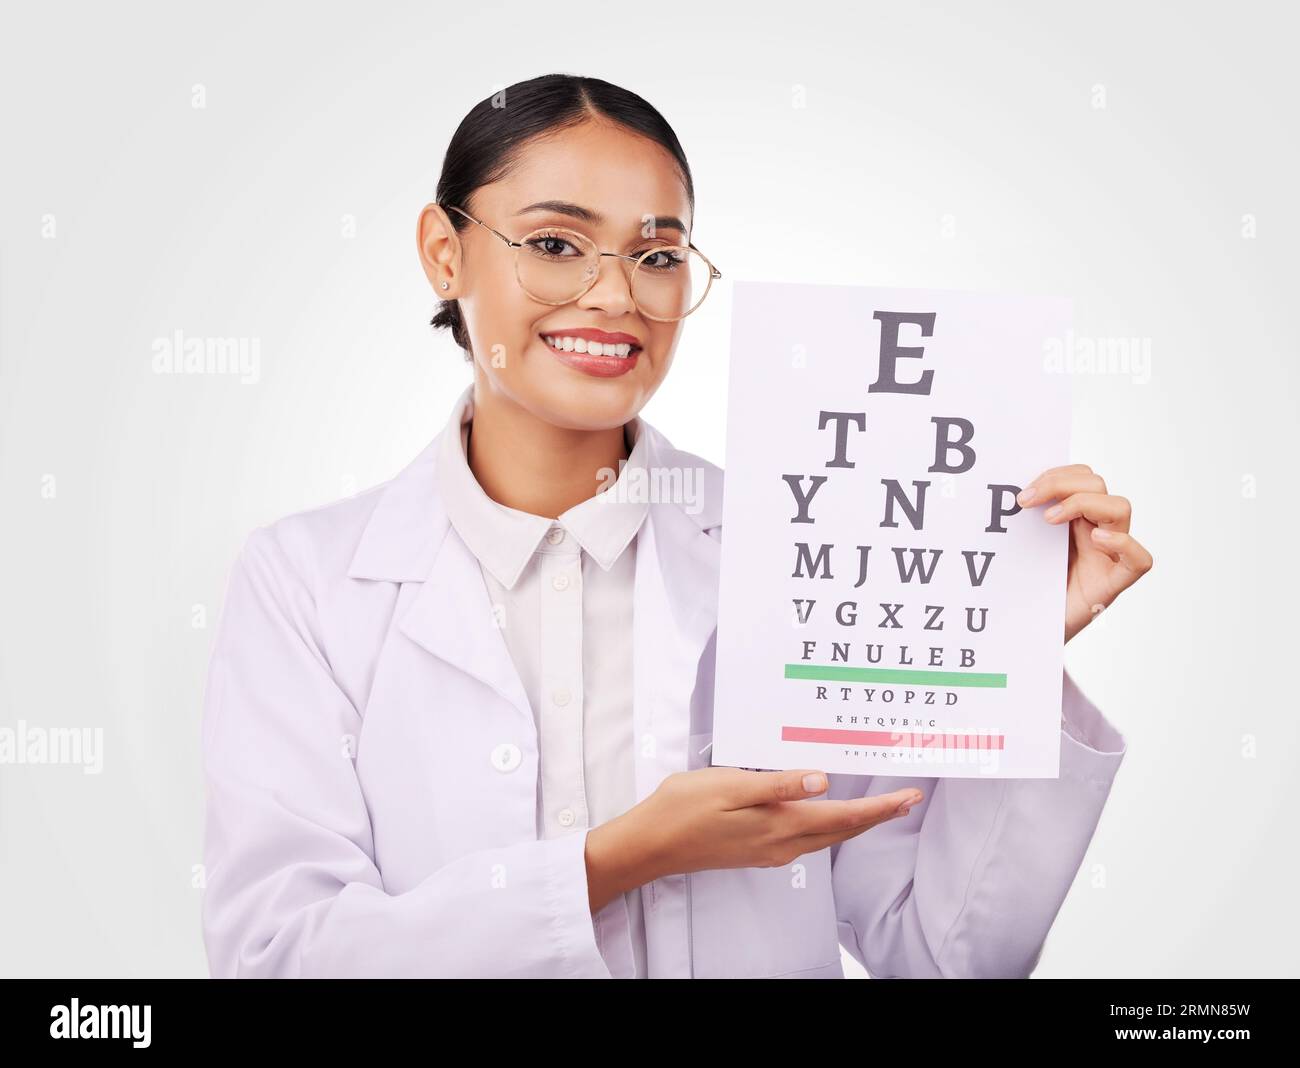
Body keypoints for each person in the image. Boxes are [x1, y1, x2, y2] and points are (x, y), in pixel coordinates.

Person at [199, 73, 1153, 979]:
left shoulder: (803, 549)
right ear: (445, 253)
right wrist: (620, 859)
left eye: (657, 257)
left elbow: (939, 955)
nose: (615, 296)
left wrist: (1003, 647)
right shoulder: (307, 583)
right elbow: (280, 957)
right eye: (557, 244)